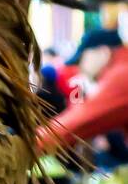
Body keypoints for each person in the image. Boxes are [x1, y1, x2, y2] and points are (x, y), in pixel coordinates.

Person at [39, 29, 128, 166]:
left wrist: (25, 142)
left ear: (103, 52)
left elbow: (78, 122)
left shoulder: (121, 75)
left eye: (82, 59)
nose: (79, 67)